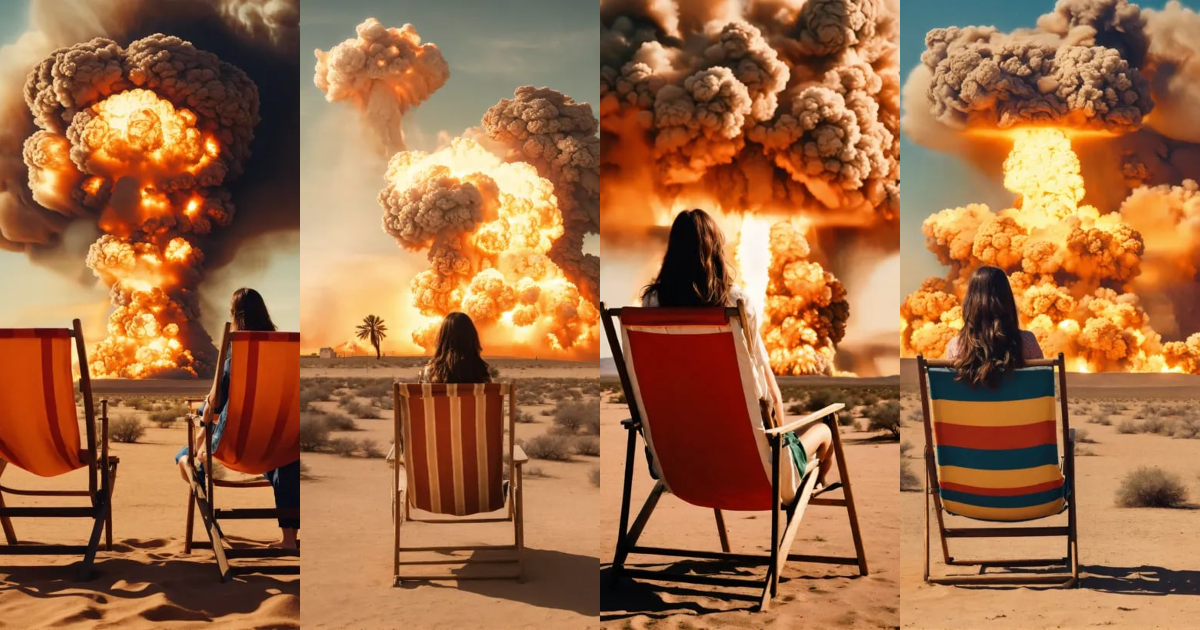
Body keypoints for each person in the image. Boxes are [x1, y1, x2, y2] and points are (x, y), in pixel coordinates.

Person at [641, 208, 835, 488]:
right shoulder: (735, 302)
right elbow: (770, 390)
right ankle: (816, 482)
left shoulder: (652, 302)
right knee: (825, 429)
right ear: (716, 249)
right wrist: (780, 434)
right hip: (752, 468)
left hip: (678, 465)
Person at [175, 288, 299, 550]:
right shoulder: (287, 357)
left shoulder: (236, 357)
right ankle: (289, 539)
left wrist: (202, 414)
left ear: (234, 315)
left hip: (235, 447)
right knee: (287, 464)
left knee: (185, 455)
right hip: (278, 447)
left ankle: (209, 515)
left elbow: (214, 406)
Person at [387, 312, 492, 463]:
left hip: (431, 464)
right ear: (473, 340)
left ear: (442, 339)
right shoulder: (482, 375)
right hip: (475, 464)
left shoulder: (428, 374)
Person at [943, 266, 1044, 388]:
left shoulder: (956, 346)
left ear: (970, 303)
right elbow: (1040, 382)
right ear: (1007, 301)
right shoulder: (1027, 342)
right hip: (1019, 400)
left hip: (973, 401)